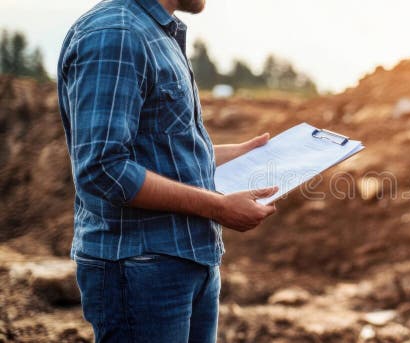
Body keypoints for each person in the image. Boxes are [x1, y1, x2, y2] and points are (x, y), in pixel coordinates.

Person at [56, 0, 277, 341]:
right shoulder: (117, 35)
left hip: (186, 262)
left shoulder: (155, 32)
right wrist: (218, 207)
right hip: (140, 270)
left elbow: (158, 151)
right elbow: (103, 168)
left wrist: (239, 155)